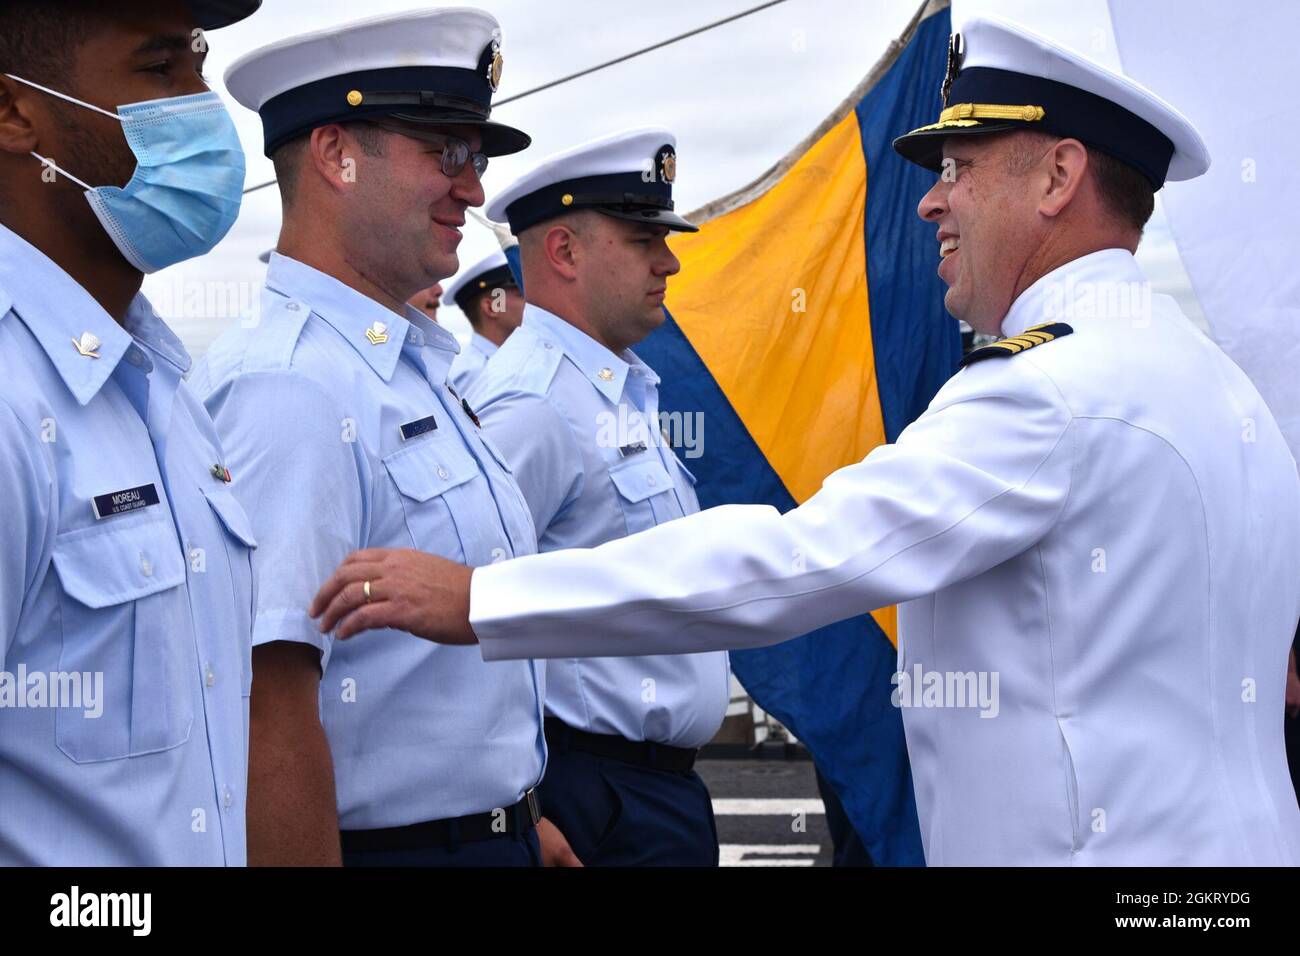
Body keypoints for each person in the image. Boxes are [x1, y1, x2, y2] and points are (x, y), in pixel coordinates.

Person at [312, 15, 1300, 866]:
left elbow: (795, 561)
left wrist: (483, 596)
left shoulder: (1051, 389)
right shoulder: (1209, 380)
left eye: (957, 168)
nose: (930, 200)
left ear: (1057, 176)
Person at [193, 8, 568, 867]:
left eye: (473, 159)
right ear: (334, 154)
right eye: (448, 152)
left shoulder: (405, 363)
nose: (473, 190)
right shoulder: (289, 385)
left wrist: (513, 815)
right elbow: (268, 709)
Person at [0, 0, 260, 865]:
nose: (204, 108)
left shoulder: (158, 384)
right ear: (13, 113)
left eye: (198, 65)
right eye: (158, 72)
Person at [466, 128, 729, 865]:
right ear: (565, 252)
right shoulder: (535, 403)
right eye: (645, 237)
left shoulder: (609, 388)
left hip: (646, 792)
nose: (669, 260)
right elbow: (456, 609)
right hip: (592, 801)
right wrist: (521, 807)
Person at [446, 249, 523, 392]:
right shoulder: (471, 374)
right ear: (492, 307)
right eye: (521, 294)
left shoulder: (508, 361)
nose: (529, 302)